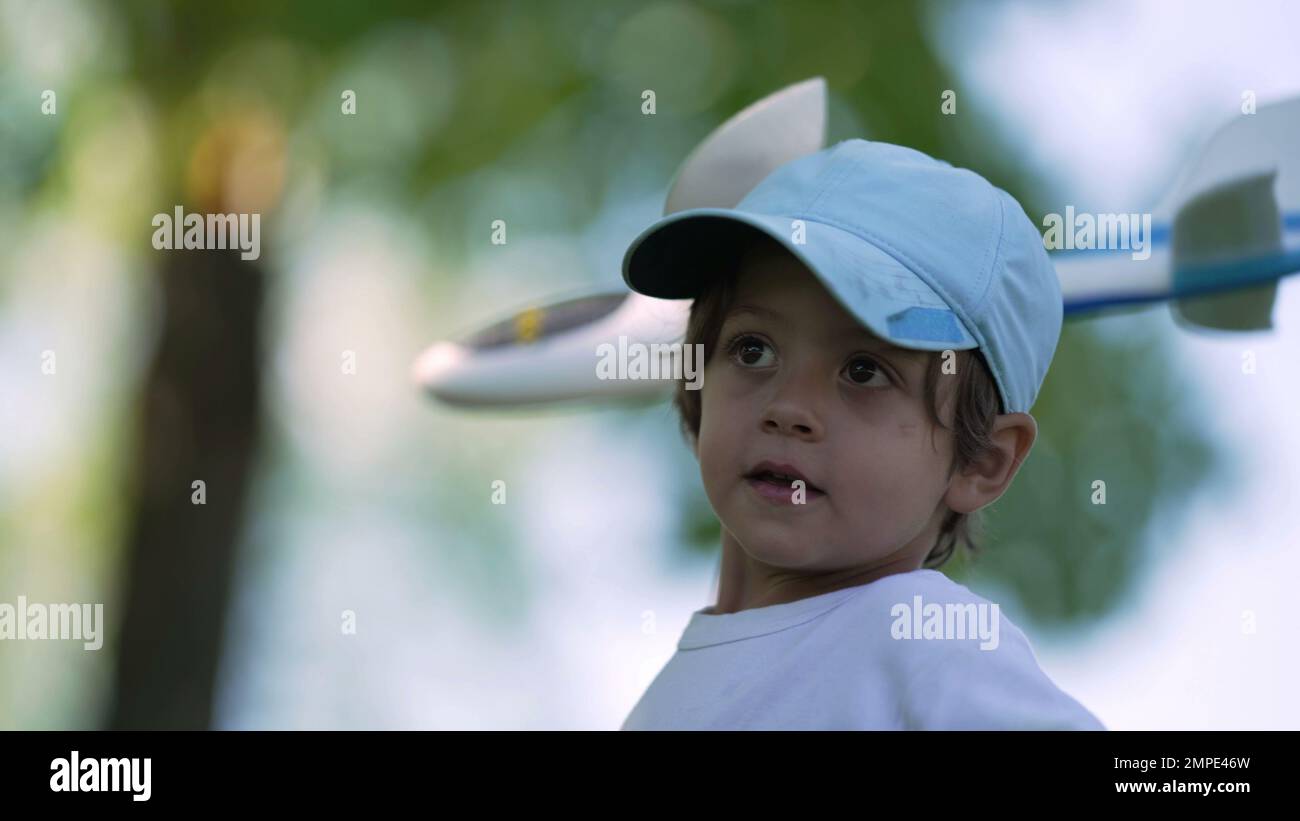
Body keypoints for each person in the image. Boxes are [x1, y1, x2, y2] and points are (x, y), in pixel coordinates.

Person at [618, 139, 1105, 730]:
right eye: (753, 349)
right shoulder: (664, 702)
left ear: (982, 462)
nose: (790, 408)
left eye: (864, 371)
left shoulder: (917, 634)